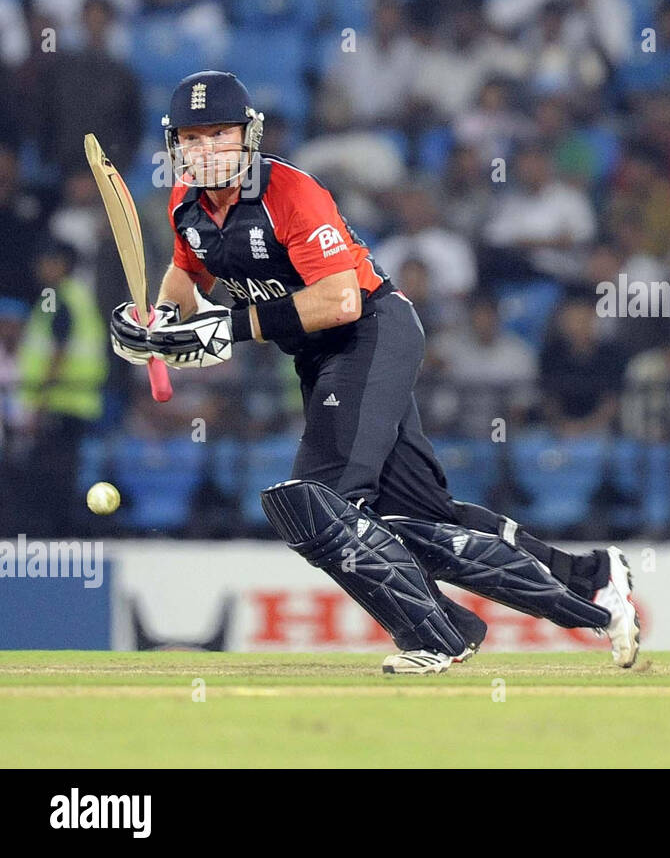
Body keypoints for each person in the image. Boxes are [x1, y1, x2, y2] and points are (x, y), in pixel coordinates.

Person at [109, 71, 639, 674]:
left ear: (249, 136)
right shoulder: (187, 204)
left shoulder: (291, 193)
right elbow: (186, 279)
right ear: (176, 146)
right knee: (423, 518)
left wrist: (224, 327)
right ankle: (592, 583)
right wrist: (151, 325)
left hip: (371, 333)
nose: (207, 152)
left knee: (318, 505)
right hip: (322, 359)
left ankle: (436, 635)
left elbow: (341, 302)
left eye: (220, 135)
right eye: (193, 139)